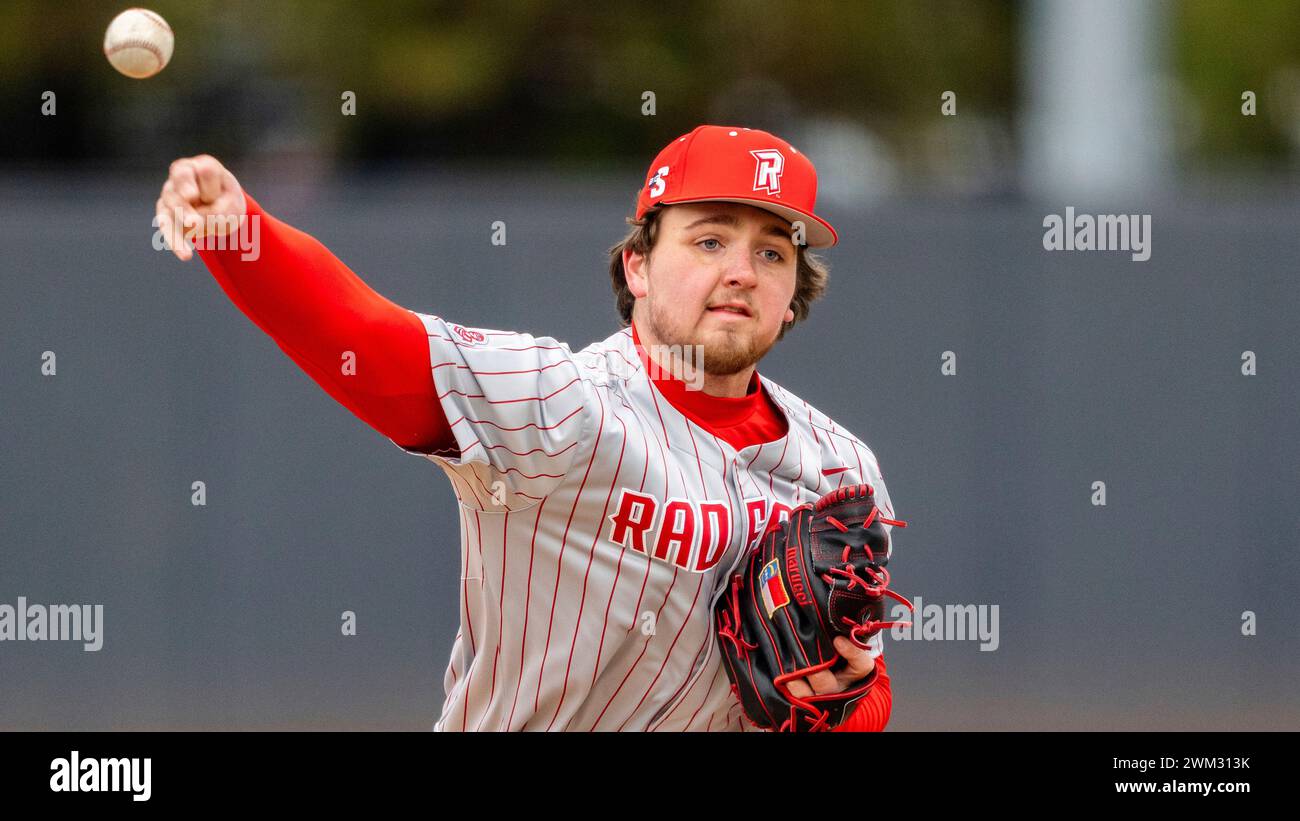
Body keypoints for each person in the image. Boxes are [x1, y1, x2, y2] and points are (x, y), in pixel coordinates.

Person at [154, 124, 900, 731]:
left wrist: (847, 695)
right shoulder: (566, 405)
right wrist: (242, 237)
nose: (742, 269)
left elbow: (865, 692)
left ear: (792, 294)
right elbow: (376, 345)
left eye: (772, 252)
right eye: (709, 240)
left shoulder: (841, 470)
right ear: (637, 265)